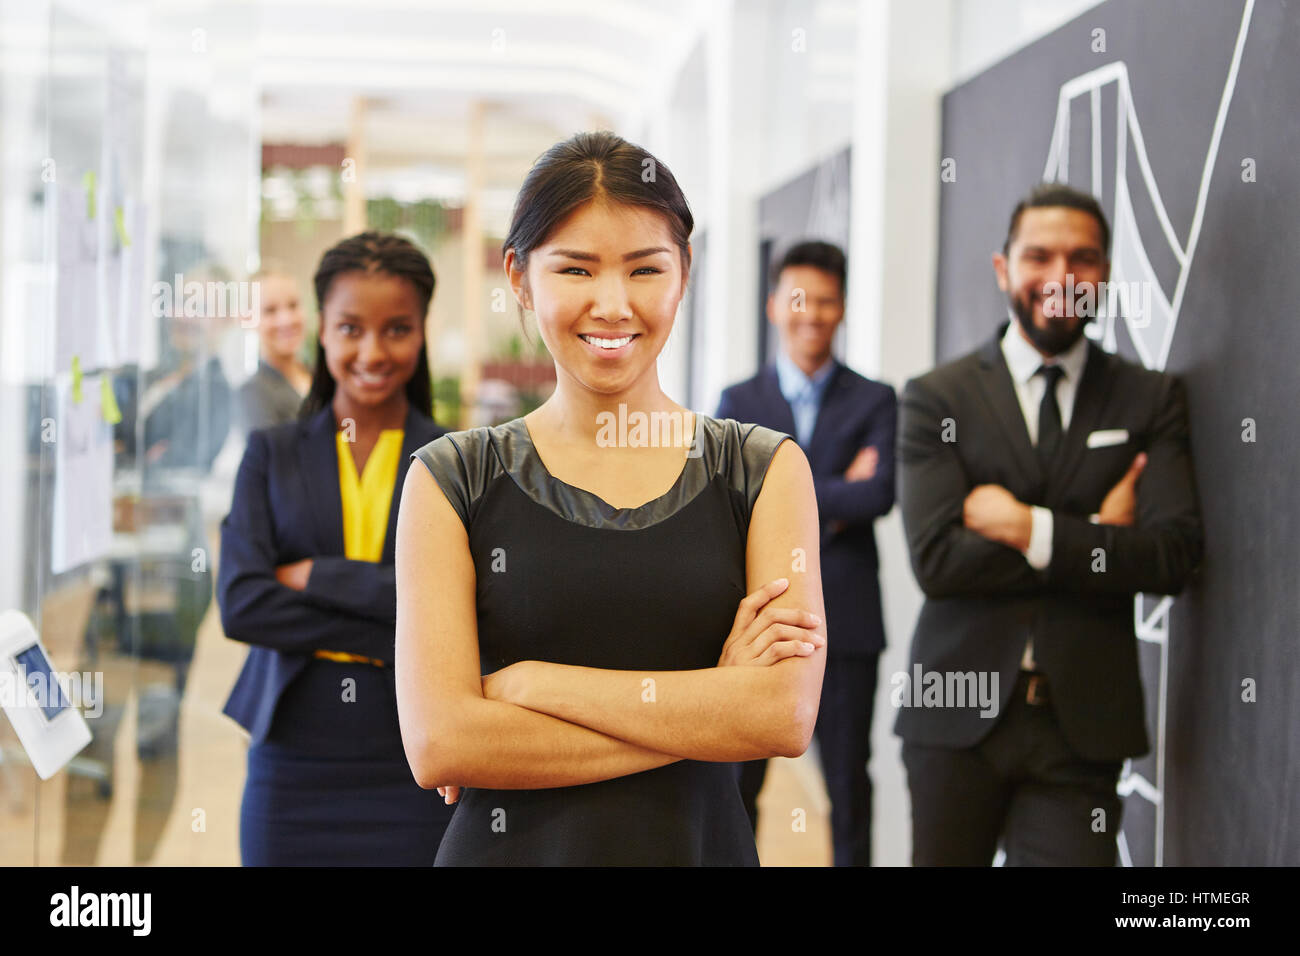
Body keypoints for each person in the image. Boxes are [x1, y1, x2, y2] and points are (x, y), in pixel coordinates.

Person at [395, 130, 828, 866]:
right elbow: (441, 744)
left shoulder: (762, 470)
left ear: (683, 275)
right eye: (576, 268)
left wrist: (531, 686)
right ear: (521, 278)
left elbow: (781, 716)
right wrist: (710, 705)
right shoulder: (451, 479)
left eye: (644, 268)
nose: (613, 303)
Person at [894, 182, 1203, 865]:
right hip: (953, 714)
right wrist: (1098, 528)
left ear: (1106, 274)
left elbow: (1172, 555)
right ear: (1005, 269)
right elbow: (938, 560)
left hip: (1083, 728)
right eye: (1040, 257)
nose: (1061, 279)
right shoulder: (935, 398)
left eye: (1083, 259)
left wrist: (1028, 528)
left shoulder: (1150, 398)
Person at [217, 232, 453, 865]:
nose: (372, 352)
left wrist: (318, 576)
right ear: (322, 329)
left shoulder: (459, 463)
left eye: (396, 329)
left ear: (421, 330)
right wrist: (394, 621)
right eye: (350, 328)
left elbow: (469, 606)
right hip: (291, 766)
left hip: (413, 760)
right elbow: (242, 605)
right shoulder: (271, 454)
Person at [716, 240, 896, 866]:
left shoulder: (876, 399)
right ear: (773, 306)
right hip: (760, 621)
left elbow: (877, 494)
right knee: (740, 782)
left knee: (848, 781)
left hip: (845, 624)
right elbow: (729, 506)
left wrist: (781, 499)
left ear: (842, 308)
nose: (811, 313)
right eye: (798, 299)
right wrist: (833, 489)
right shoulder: (739, 404)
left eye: (824, 301)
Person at [234, 265, 313, 433]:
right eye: (270, 311)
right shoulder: (253, 393)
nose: (286, 320)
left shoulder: (323, 377)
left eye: (293, 306)